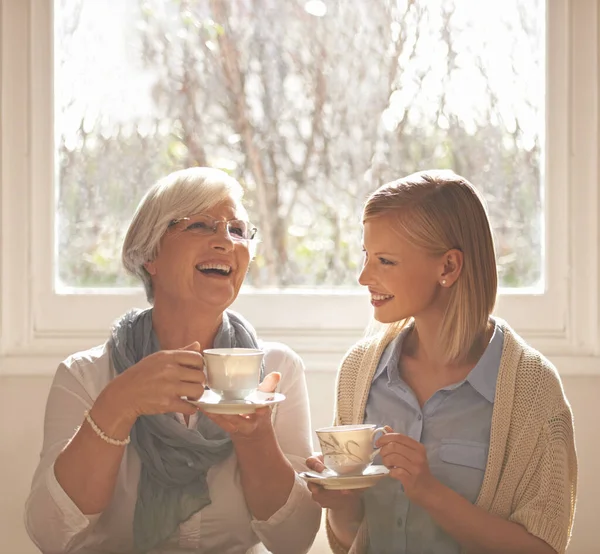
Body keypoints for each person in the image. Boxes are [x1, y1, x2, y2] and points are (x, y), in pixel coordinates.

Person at [25, 167, 321, 554]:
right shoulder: (85, 375)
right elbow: (49, 534)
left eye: (237, 229)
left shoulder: (279, 371)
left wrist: (257, 438)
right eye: (200, 225)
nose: (225, 241)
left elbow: (295, 540)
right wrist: (117, 405)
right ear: (150, 255)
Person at [307, 170, 577, 554]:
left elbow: (544, 548)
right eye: (366, 256)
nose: (363, 276)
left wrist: (431, 493)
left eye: (385, 261)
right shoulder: (357, 373)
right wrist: (341, 500)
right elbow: (352, 540)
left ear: (448, 267)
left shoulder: (534, 391)